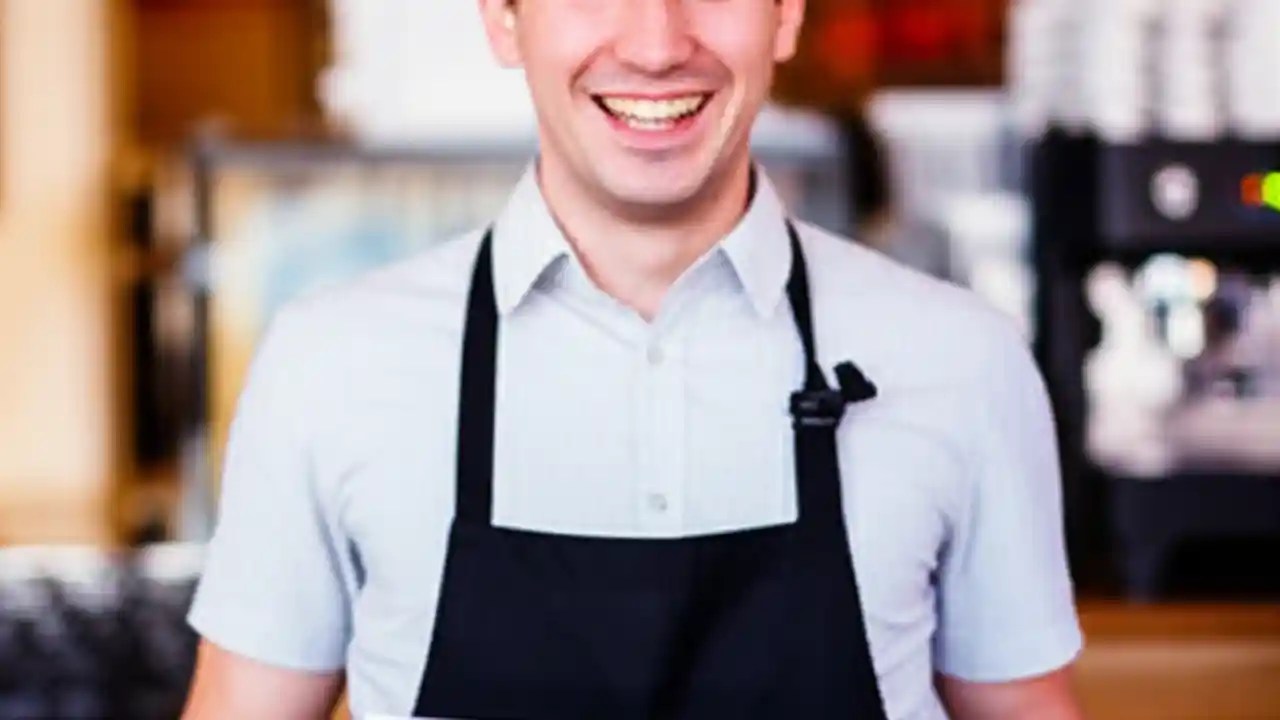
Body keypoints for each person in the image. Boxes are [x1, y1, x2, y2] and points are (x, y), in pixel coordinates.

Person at [181, 1, 1085, 718]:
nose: (656, 45)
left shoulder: (962, 362)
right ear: (503, 17)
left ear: (785, 14)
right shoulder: (331, 365)